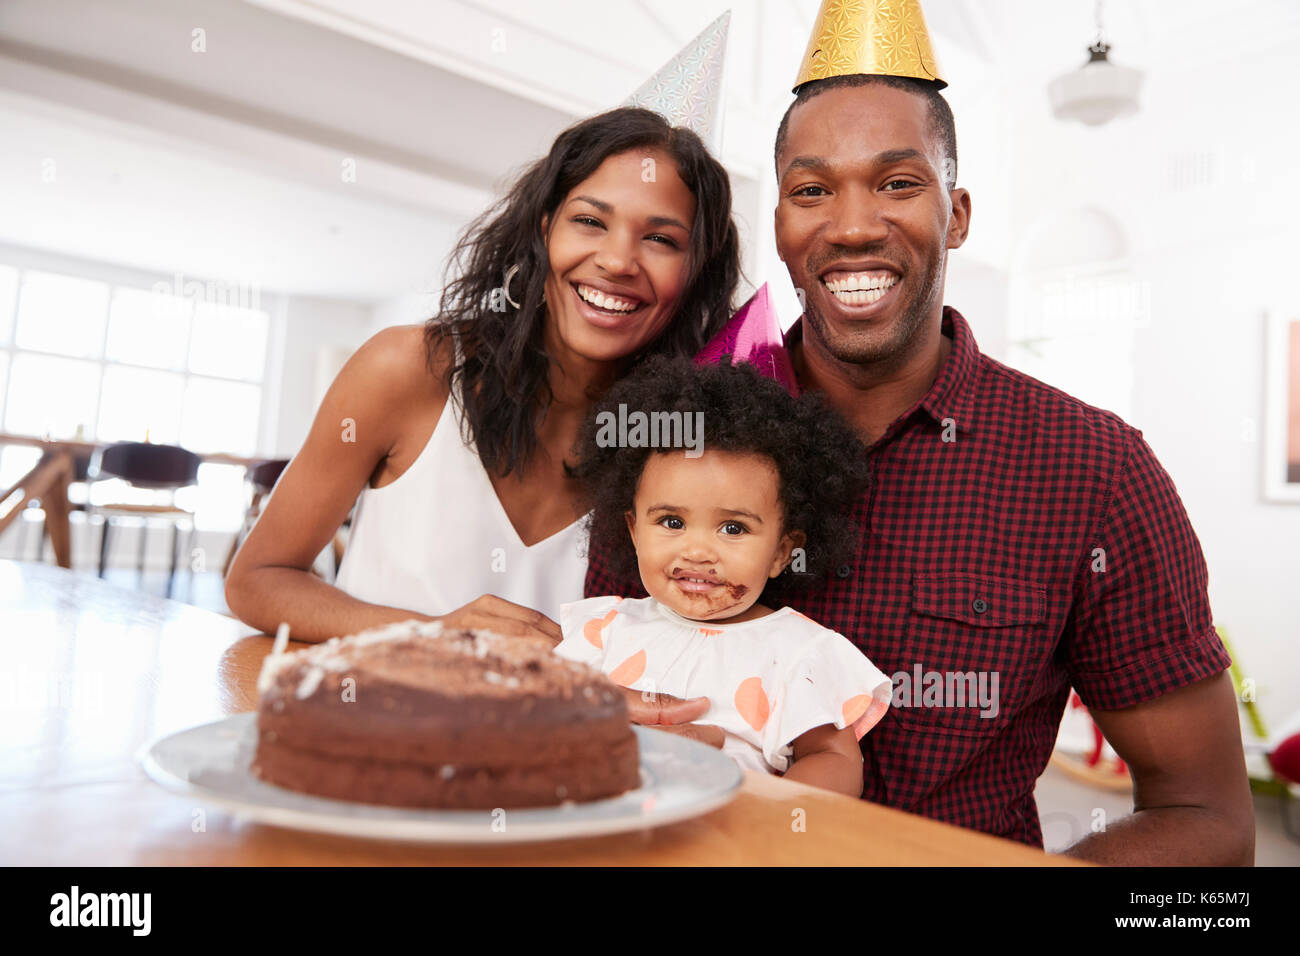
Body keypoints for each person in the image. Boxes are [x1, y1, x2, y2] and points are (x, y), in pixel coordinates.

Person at [586, 77, 1255, 864]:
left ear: (958, 214)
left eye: (898, 183)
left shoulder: (1092, 469)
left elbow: (1208, 818)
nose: (854, 225)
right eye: (812, 189)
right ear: (781, 225)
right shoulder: (675, 438)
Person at [226, 107, 740, 643]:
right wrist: (432, 637)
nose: (617, 260)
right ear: (544, 231)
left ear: (694, 272)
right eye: (590, 221)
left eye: (661, 239)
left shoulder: (681, 443)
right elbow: (258, 580)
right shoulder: (406, 369)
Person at [554, 357, 892, 796]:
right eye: (672, 522)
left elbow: (833, 757)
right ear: (634, 531)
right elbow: (545, 717)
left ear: (781, 552)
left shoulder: (799, 652)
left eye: (733, 528)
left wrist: (772, 822)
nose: (697, 552)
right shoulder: (604, 630)